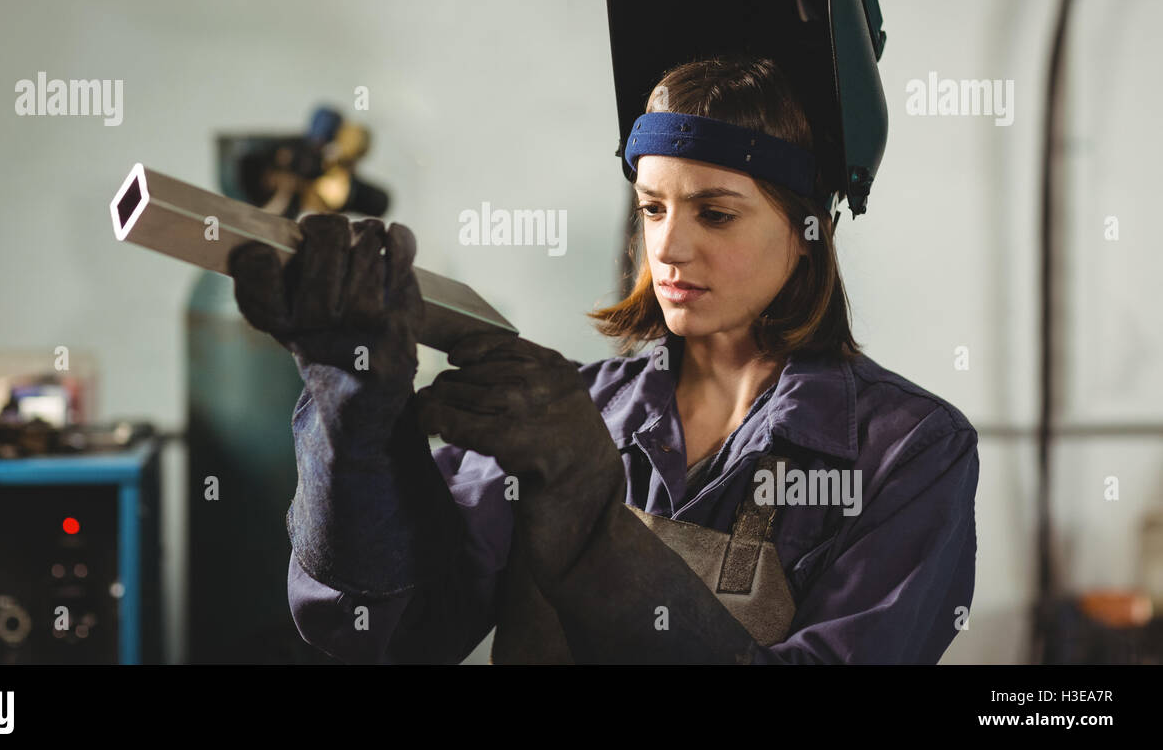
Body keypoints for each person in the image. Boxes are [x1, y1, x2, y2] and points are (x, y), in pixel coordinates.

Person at [228, 53, 980, 664]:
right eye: (654, 207)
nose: (670, 247)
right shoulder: (568, 412)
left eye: (715, 213)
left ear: (808, 230)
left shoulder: (907, 452)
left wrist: (590, 513)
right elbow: (389, 632)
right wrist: (357, 430)